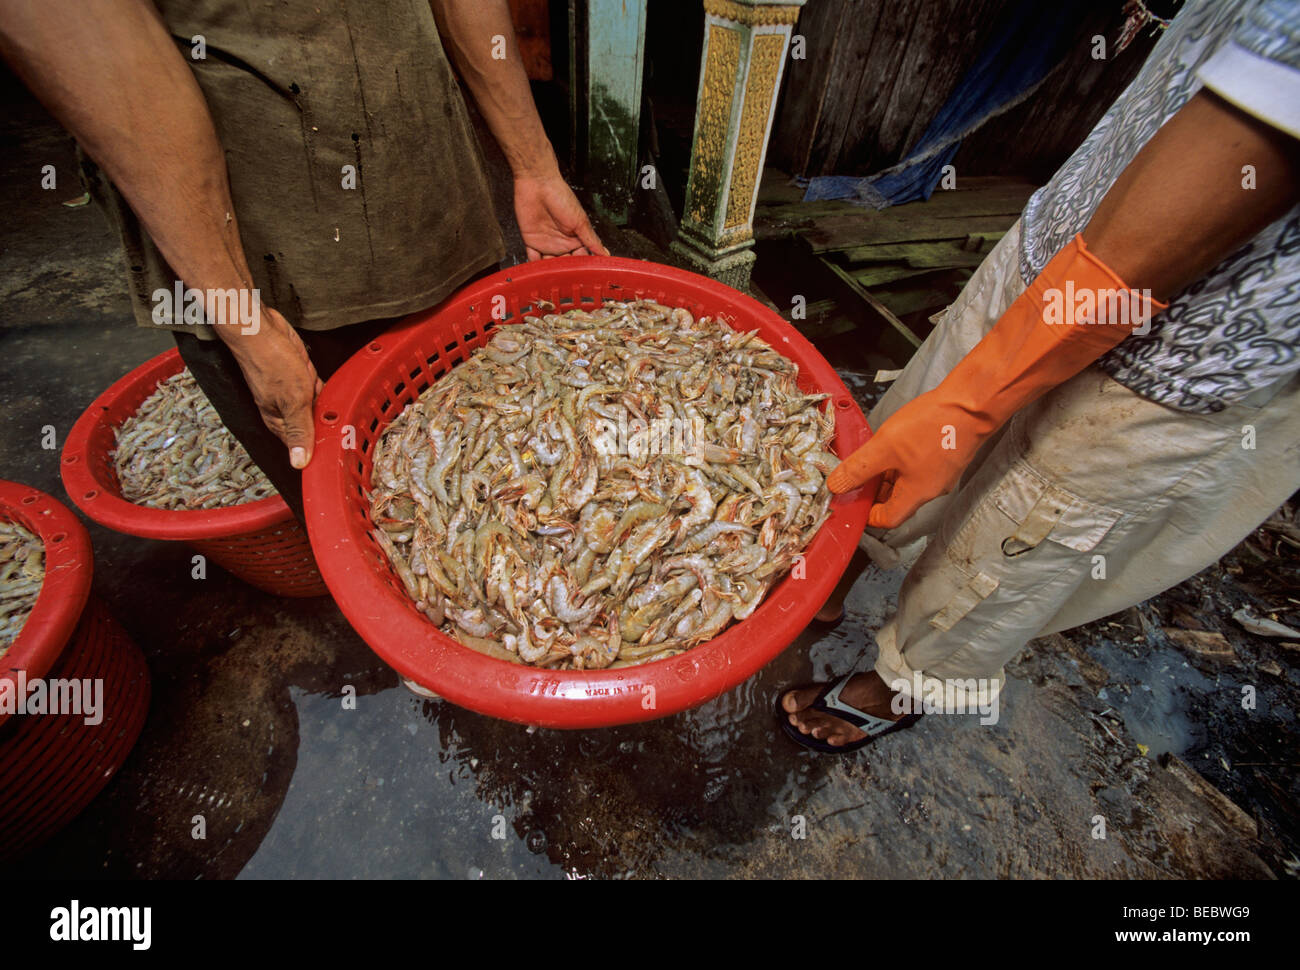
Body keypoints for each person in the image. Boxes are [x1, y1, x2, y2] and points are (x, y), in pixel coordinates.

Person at [780, 0, 1300, 752]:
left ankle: (901, 686)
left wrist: (976, 400)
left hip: (1193, 353)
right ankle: (837, 583)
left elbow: (1244, 152)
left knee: (1015, 546)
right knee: (898, 452)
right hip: (1060, 241)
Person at [0, 0, 607, 520]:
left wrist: (533, 163)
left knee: (506, 458)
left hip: (433, 185)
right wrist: (242, 319)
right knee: (357, 508)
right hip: (264, 251)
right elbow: (97, 56)